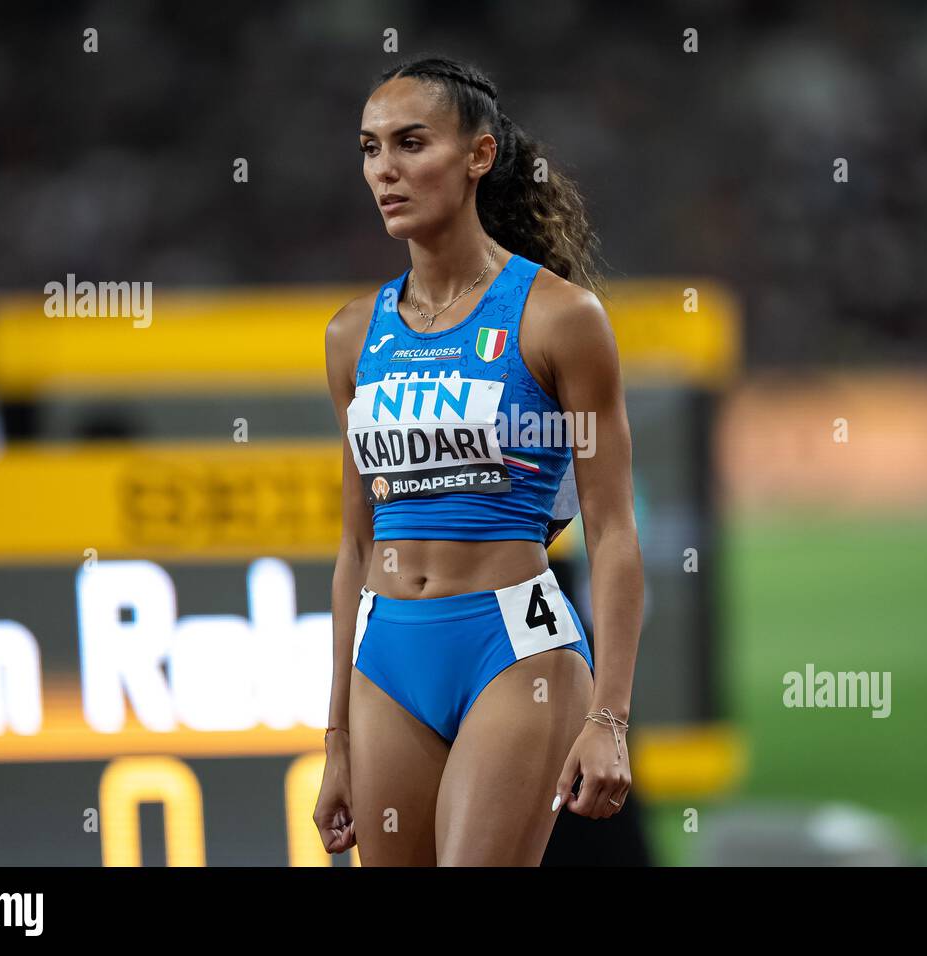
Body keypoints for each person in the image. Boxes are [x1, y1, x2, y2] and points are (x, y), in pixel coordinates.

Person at [313, 55, 643, 865]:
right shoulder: (353, 335)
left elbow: (612, 531)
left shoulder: (561, 319)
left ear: (479, 156)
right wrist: (336, 739)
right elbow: (355, 544)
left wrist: (609, 719)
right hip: (388, 658)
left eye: (410, 143)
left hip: (512, 649)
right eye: (369, 147)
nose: (384, 169)